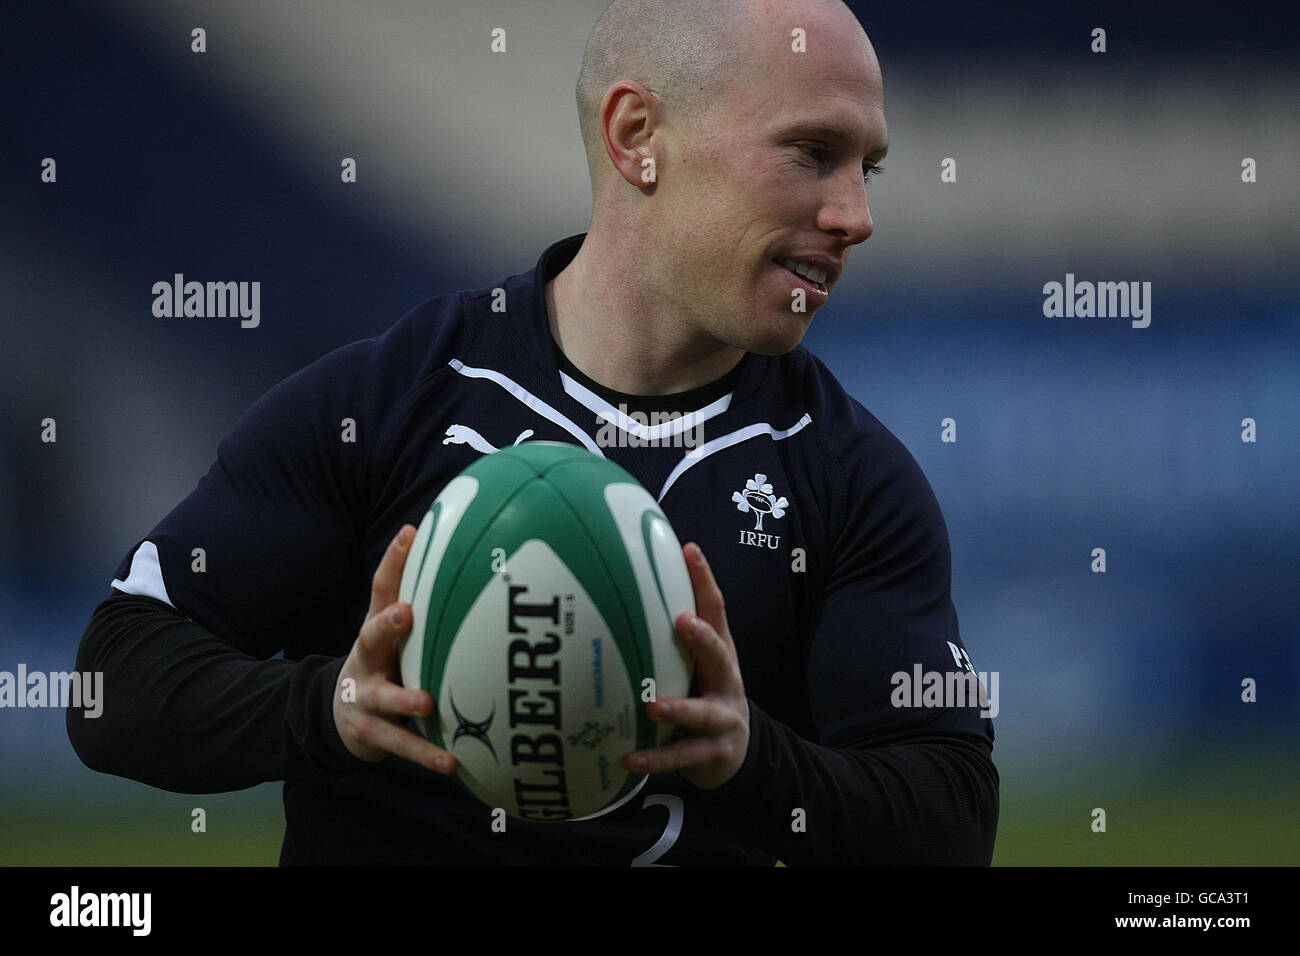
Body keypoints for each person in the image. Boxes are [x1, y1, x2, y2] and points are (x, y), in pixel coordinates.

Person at [68, 0, 998, 865]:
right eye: (811, 153)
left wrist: (751, 759)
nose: (856, 217)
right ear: (637, 136)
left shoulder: (851, 477)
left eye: (868, 168)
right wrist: (335, 707)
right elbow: (115, 681)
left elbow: (950, 814)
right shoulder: (383, 404)